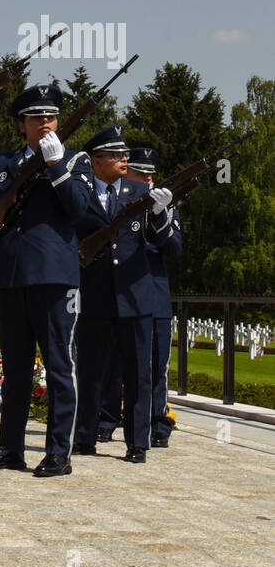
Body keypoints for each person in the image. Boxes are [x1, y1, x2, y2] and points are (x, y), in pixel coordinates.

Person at [0, 84, 96, 477]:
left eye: (51, 116)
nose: (46, 122)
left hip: (54, 278)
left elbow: (79, 210)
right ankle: (9, 448)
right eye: (37, 117)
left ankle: (57, 452)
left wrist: (56, 167)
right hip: (10, 275)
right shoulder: (5, 163)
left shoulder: (76, 162)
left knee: (58, 365)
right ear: (22, 125)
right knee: (15, 368)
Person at [72, 126, 175, 462]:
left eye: (124, 155)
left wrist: (160, 214)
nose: (123, 160)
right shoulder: (80, 192)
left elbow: (167, 245)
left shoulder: (139, 192)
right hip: (95, 295)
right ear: (96, 160)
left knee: (138, 375)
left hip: (134, 297)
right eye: (115, 155)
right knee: (91, 371)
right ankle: (85, 436)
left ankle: (138, 442)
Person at [126, 147, 183, 448]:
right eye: (140, 172)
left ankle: (159, 423)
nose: (147, 178)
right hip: (124, 291)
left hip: (156, 294)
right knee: (118, 362)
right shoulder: (120, 203)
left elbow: (174, 250)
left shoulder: (167, 206)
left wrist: (160, 215)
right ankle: (110, 419)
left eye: (150, 173)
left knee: (157, 364)